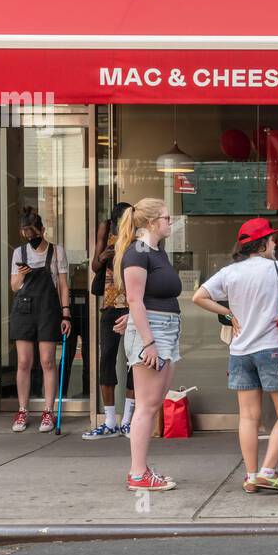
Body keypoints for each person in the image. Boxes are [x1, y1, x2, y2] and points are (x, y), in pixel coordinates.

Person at [194, 218, 278, 492]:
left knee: (247, 416)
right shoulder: (277, 269)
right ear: (263, 243)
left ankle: (251, 476)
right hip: (270, 348)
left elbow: (198, 296)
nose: (274, 243)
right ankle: (268, 470)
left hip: (239, 350)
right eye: (271, 239)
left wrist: (229, 313)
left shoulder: (230, 273)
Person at [115, 198, 181, 490]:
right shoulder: (138, 252)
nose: (171, 222)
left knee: (153, 404)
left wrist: (134, 321)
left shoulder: (155, 251)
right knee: (146, 405)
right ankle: (138, 474)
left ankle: (141, 469)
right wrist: (148, 342)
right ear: (153, 222)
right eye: (167, 218)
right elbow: (134, 298)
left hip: (164, 328)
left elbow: (139, 300)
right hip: (153, 332)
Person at [8, 206, 71, 433]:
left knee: (47, 361)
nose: (30, 237)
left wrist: (66, 313)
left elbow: (63, 285)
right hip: (23, 310)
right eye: (25, 233)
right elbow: (14, 287)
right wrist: (21, 275)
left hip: (48, 309)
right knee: (24, 362)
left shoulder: (57, 251)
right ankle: (23, 410)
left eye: (33, 232)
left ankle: (48, 411)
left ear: (42, 230)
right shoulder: (19, 253)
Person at [85, 201, 135, 440]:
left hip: (133, 305)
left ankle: (128, 419)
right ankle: (109, 419)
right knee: (107, 359)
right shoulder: (106, 231)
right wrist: (104, 255)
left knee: (134, 361)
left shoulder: (137, 237)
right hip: (110, 304)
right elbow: (95, 265)